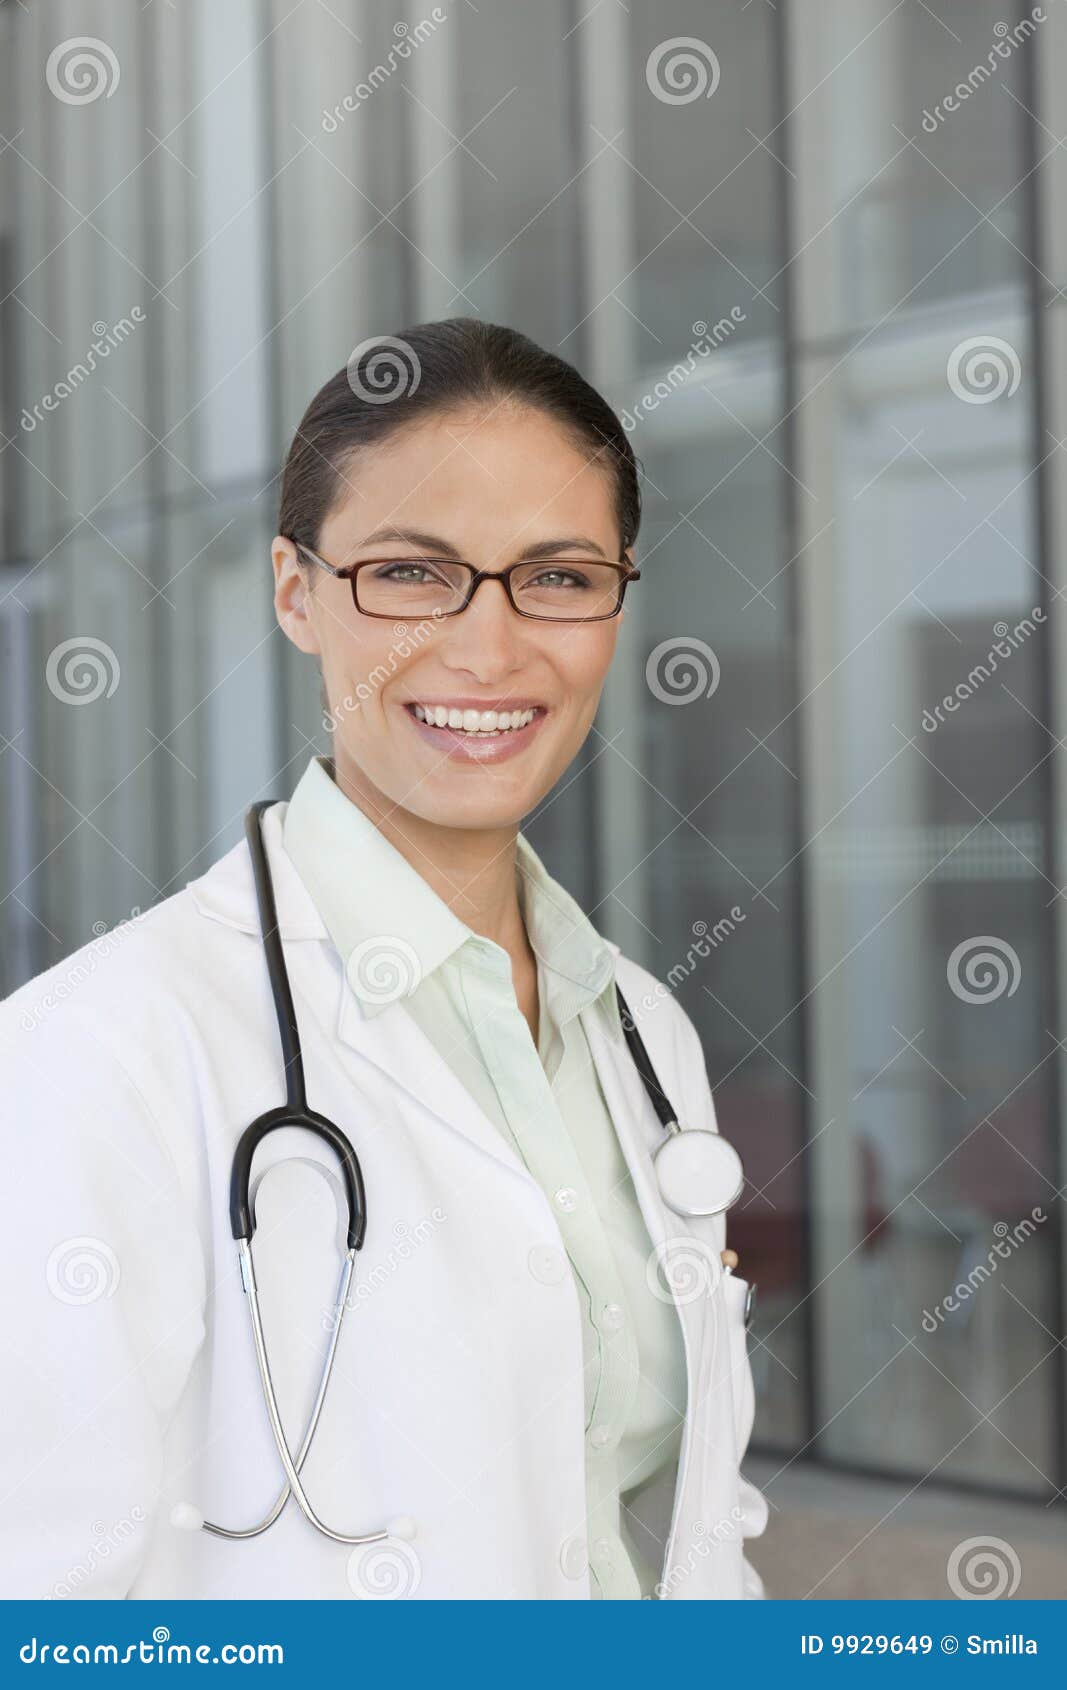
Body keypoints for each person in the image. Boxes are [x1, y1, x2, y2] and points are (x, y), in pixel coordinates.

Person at [0, 318, 766, 1600]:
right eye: (411, 574)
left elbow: (690, 1519)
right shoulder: (98, 1053)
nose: (488, 647)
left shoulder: (637, 1029)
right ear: (297, 593)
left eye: (559, 576)